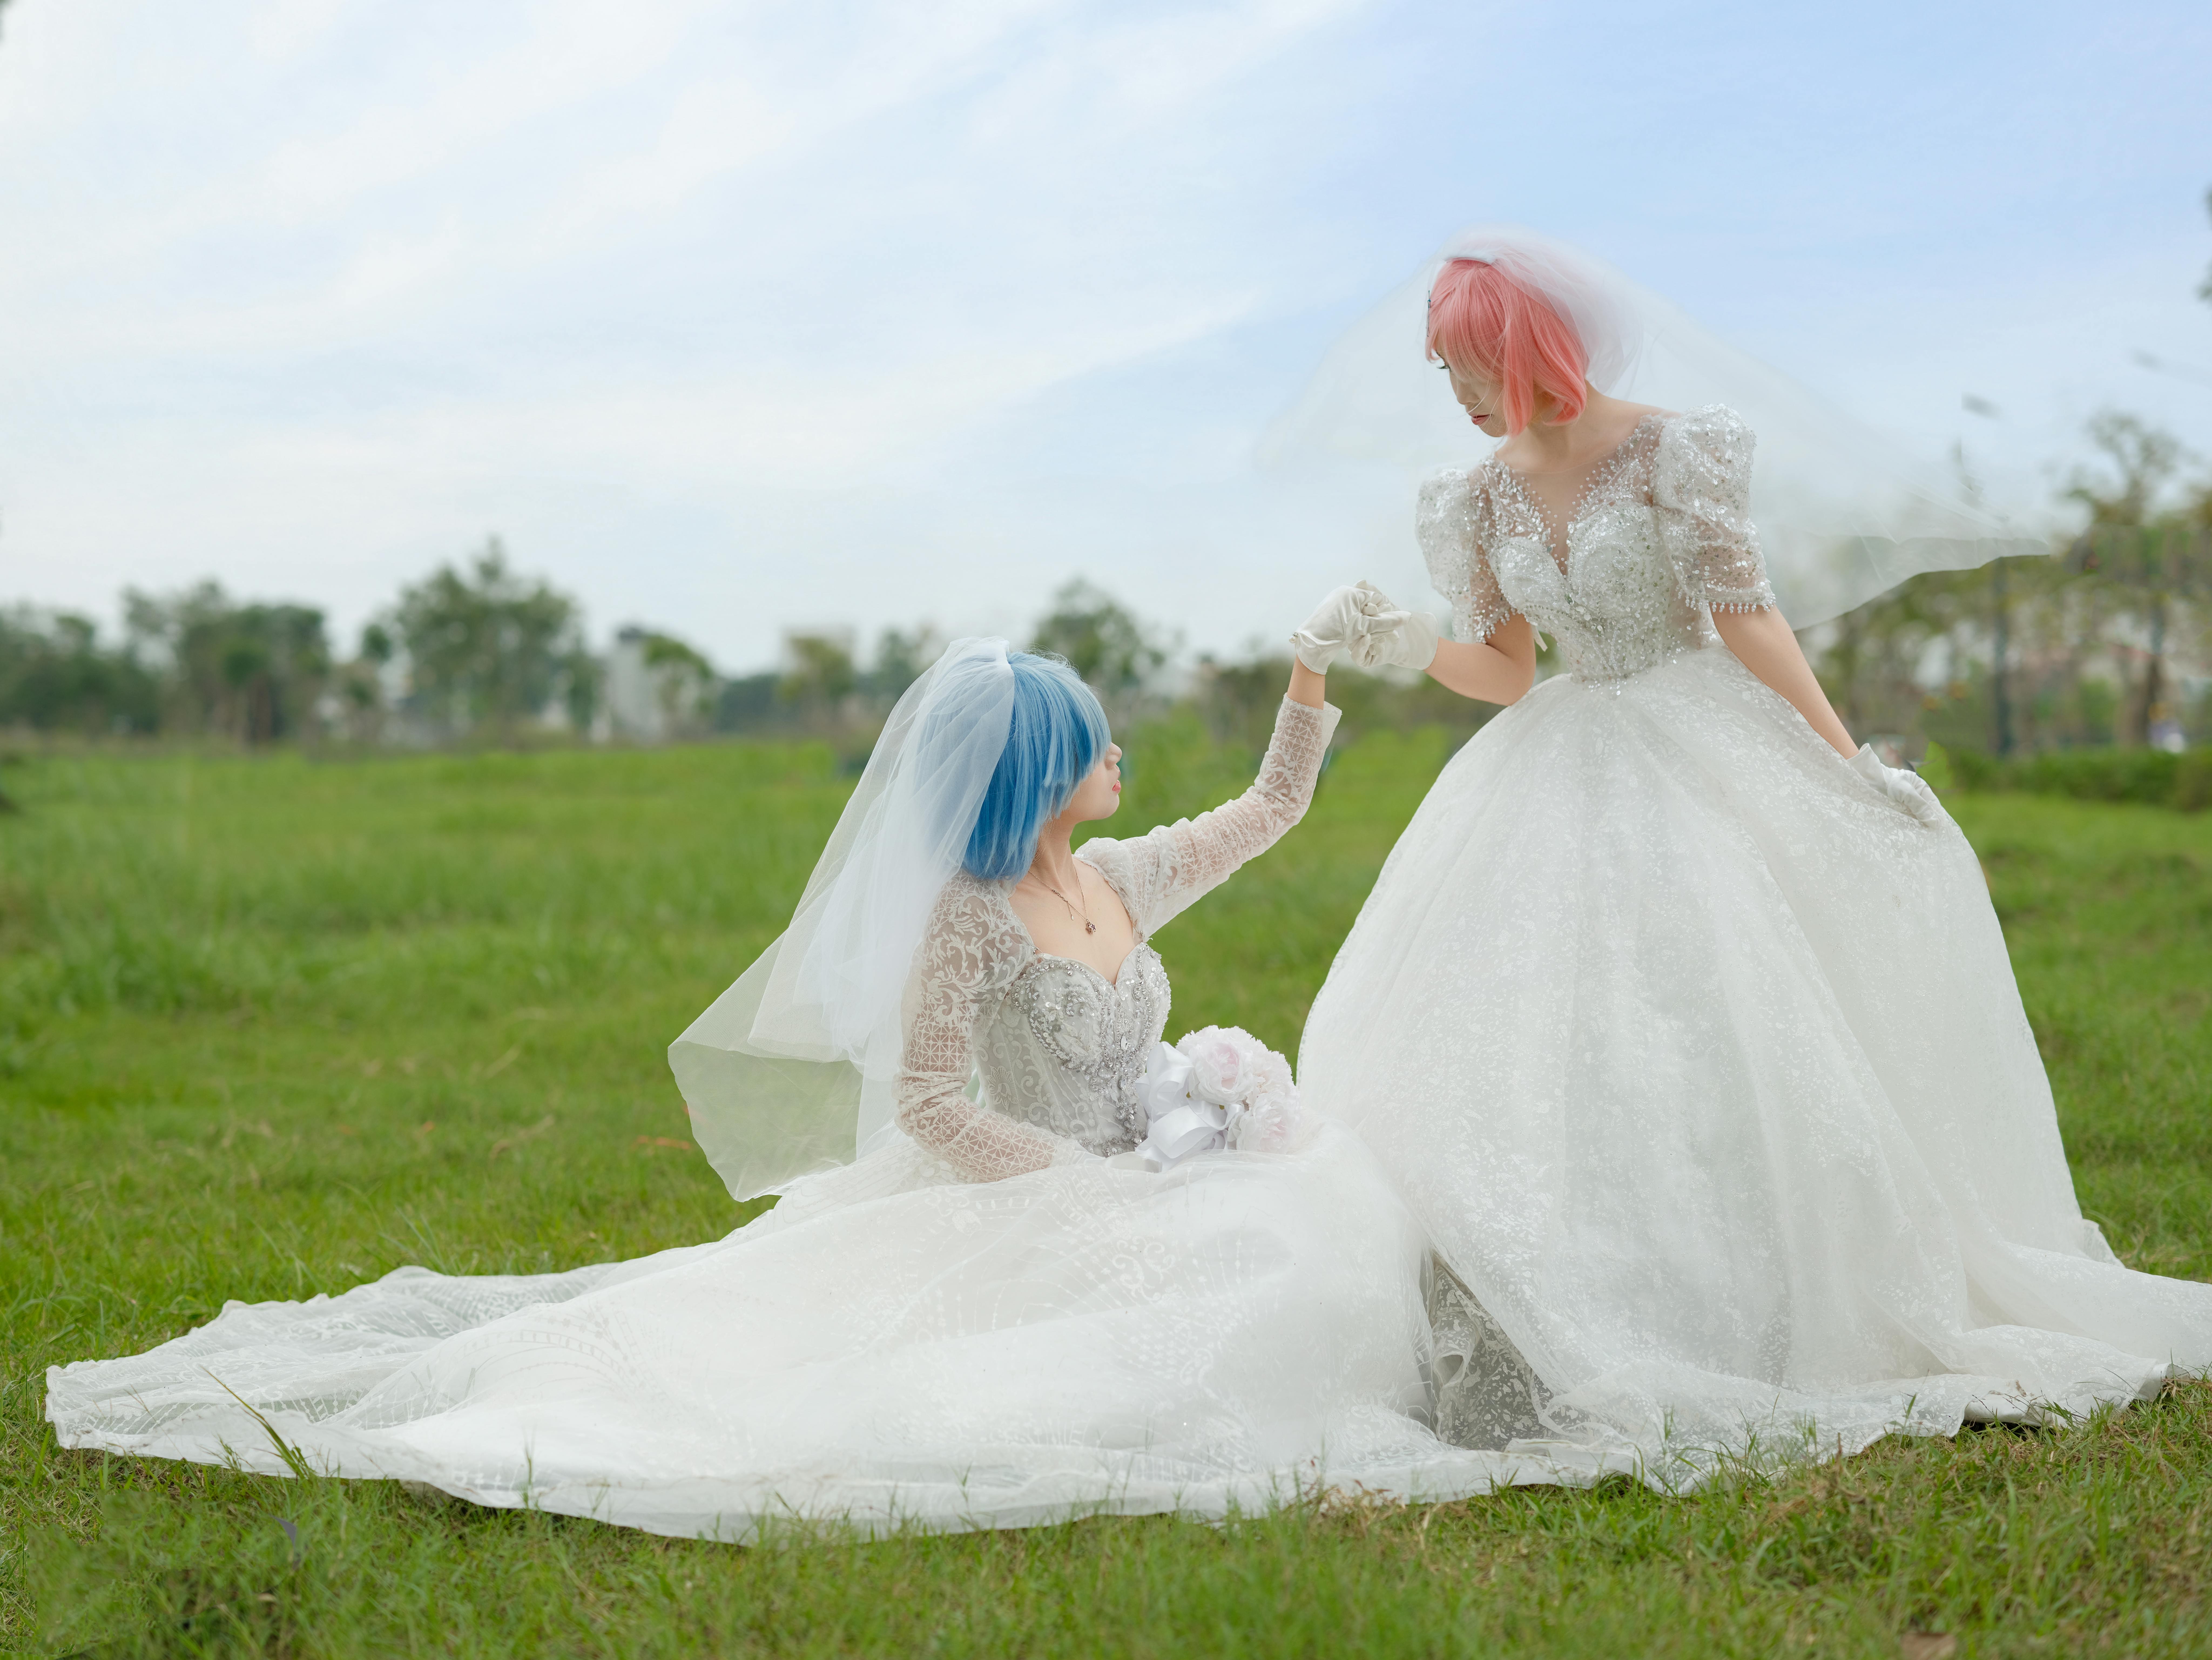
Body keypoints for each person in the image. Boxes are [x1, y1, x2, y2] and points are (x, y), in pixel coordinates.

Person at [48, 634, 1539, 1540]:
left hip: (1153, 1155)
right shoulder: (965, 918)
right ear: (1039, 773)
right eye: (1095, 745)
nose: (1122, 756)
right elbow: (936, 1108)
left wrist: (1309, 679)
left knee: (1321, 1204)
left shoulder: (1122, 874)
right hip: (1019, 1192)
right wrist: (1076, 1190)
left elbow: (1273, 808)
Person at [1292, 236, 2212, 1485]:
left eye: (1469, 363)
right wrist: (1404, 641)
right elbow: (1505, 672)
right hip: (1552, 763)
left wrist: (1845, 762)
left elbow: (1743, 615)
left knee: (1725, 1016)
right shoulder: (1473, 496)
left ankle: (1774, 1293)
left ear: (1529, 350)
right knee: (1531, 1034)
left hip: (1698, 736)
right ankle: (1564, 1287)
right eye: (1442, 367)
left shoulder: (1676, 449)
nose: (1454, 389)